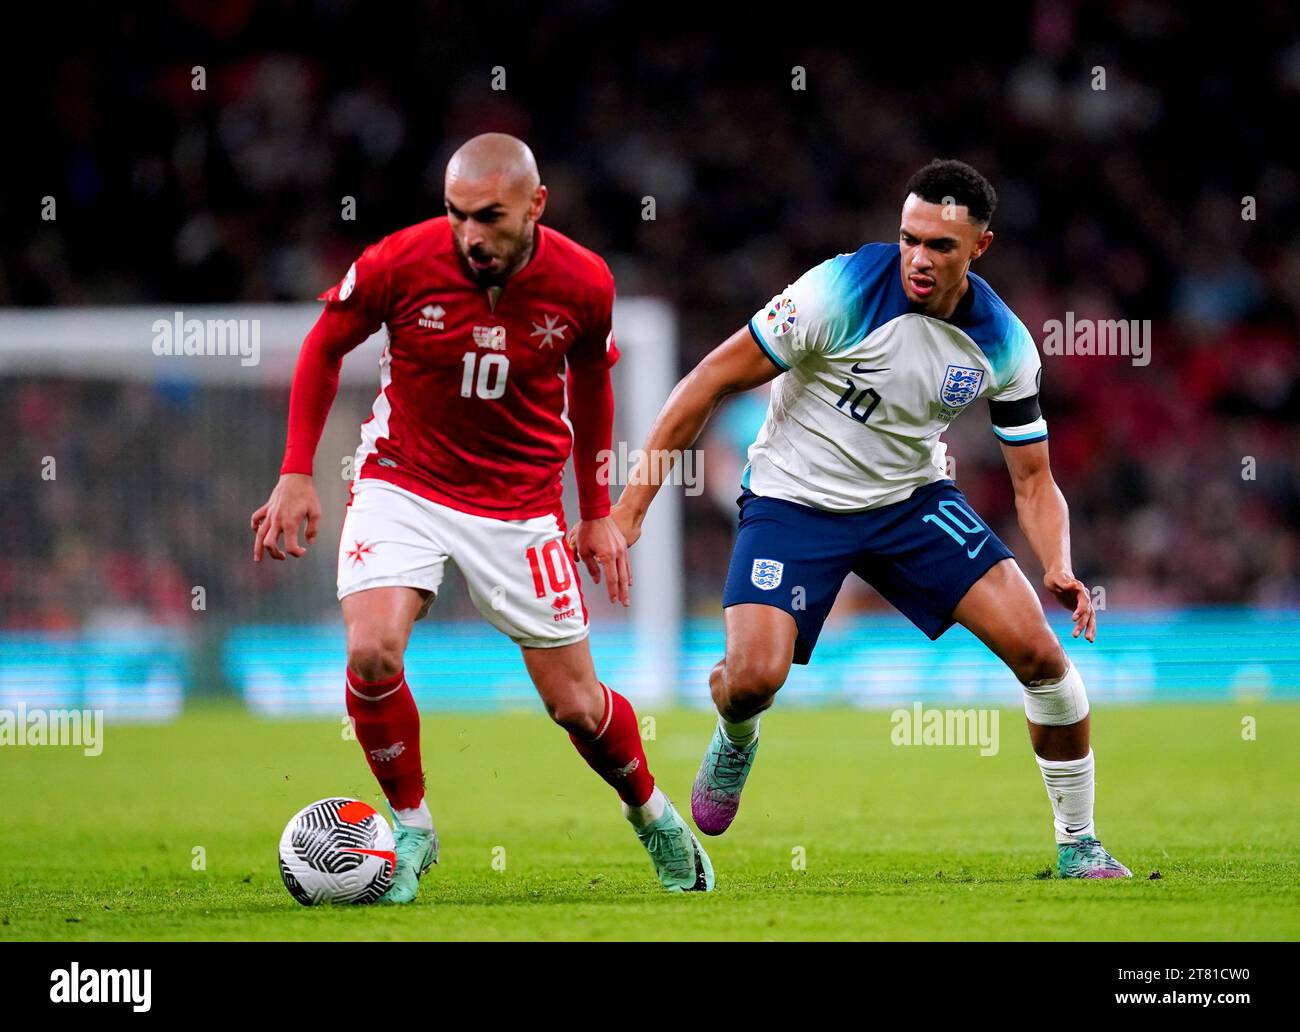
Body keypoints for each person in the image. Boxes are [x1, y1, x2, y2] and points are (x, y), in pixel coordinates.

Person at [610, 159, 1130, 879]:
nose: (919, 257)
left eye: (941, 246)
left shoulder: (1004, 344)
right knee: (753, 678)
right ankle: (736, 733)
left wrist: (1058, 562)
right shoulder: (838, 290)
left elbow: (1034, 479)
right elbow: (709, 380)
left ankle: (1079, 842)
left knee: (1043, 658)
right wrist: (631, 509)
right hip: (794, 501)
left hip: (909, 501)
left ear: (980, 248)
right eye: (910, 237)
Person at [251, 133, 714, 902]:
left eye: (489, 217)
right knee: (371, 653)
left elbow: (594, 382)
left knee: (575, 703)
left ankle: (653, 815)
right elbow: (323, 347)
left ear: (535, 205)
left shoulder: (583, 281)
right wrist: (296, 469)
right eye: (456, 215)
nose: (470, 236)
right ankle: (411, 826)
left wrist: (595, 511)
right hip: (405, 479)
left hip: (521, 506)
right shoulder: (398, 261)